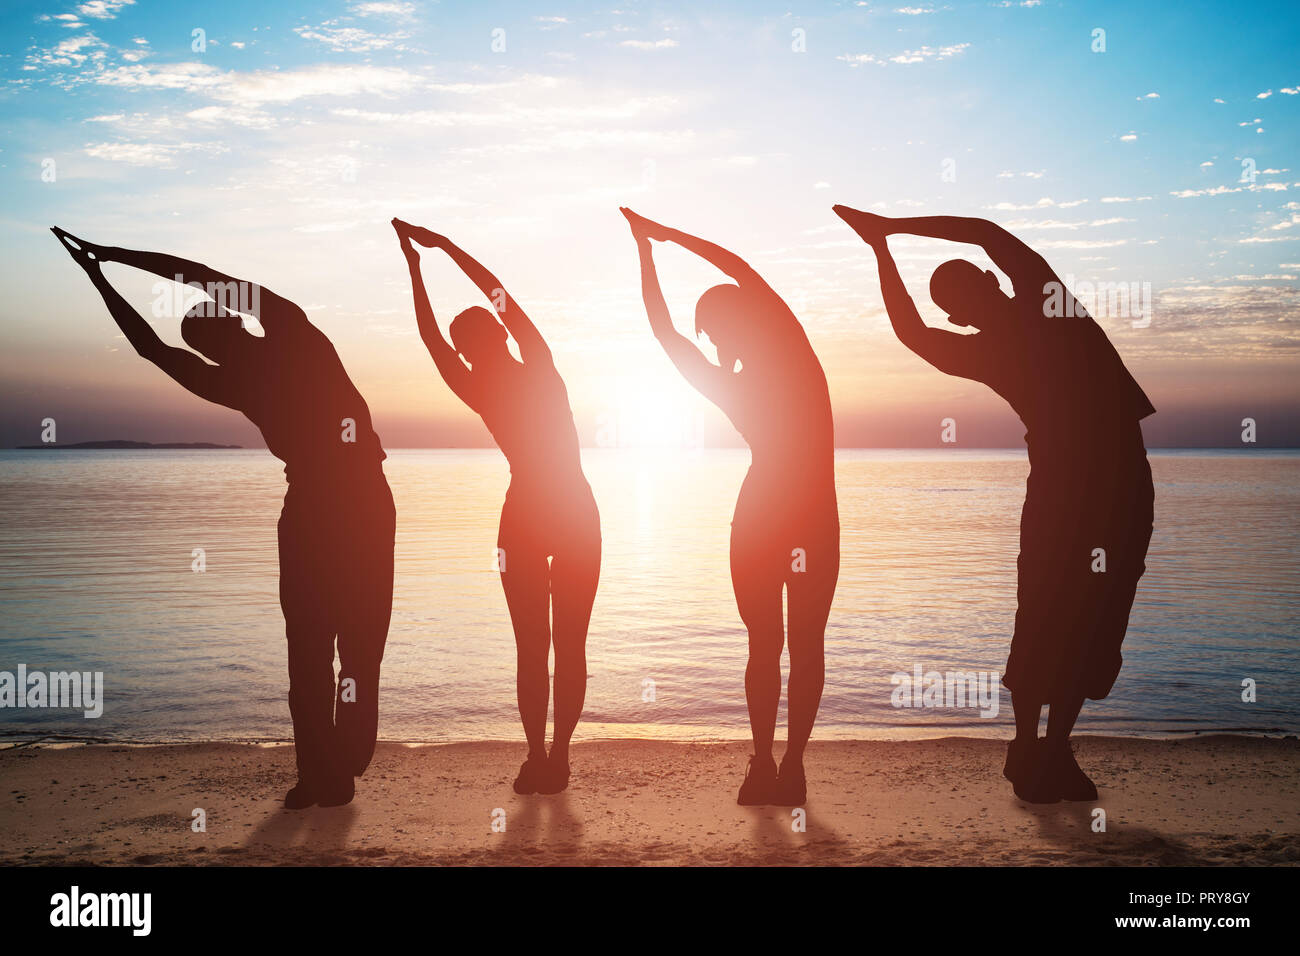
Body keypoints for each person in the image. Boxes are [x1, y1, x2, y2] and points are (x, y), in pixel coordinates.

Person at [53, 226, 395, 809]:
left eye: (212, 338)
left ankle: (343, 758)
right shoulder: (239, 377)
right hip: (319, 505)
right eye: (208, 347)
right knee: (311, 646)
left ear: (237, 322)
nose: (214, 353)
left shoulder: (293, 332)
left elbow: (192, 282)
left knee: (355, 644)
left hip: (357, 500)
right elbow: (154, 346)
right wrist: (102, 273)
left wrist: (111, 262)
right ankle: (324, 773)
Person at [835, 205, 1155, 803]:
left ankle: (1048, 749)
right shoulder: (1023, 320)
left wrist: (886, 236)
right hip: (1081, 491)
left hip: (1104, 489)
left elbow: (977, 248)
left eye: (976, 282)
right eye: (965, 296)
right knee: (1053, 612)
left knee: (1084, 612)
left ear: (990, 281)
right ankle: (1036, 747)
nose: (979, 293)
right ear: (966, 307)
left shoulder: (1038, 305)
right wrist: (885, 238)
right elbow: (974, 252)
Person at [622, 208, 839, 806]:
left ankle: (783, 765)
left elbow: (738, 273)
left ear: (744, 323)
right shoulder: (781, 371)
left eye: (716, 331)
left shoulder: (787, 361)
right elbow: (667, 333)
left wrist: (659, 242)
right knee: (772, 645)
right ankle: (772, 763)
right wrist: (653, 250)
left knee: (790, 644)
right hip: (792, 517)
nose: (712, 344)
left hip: (778, 517)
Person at [392, 218, 600, 795]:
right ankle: (549, 756)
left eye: (470, 345)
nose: (468, 353)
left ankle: (548, 755)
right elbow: (486, 306)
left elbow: (437, 334)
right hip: (556, 514)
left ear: (486, 345)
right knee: (549, 645)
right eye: (467, 349)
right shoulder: (527, 369)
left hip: (546, 514)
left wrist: (423, 263)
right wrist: (438, 252)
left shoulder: (502, 379)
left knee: (542, 645)